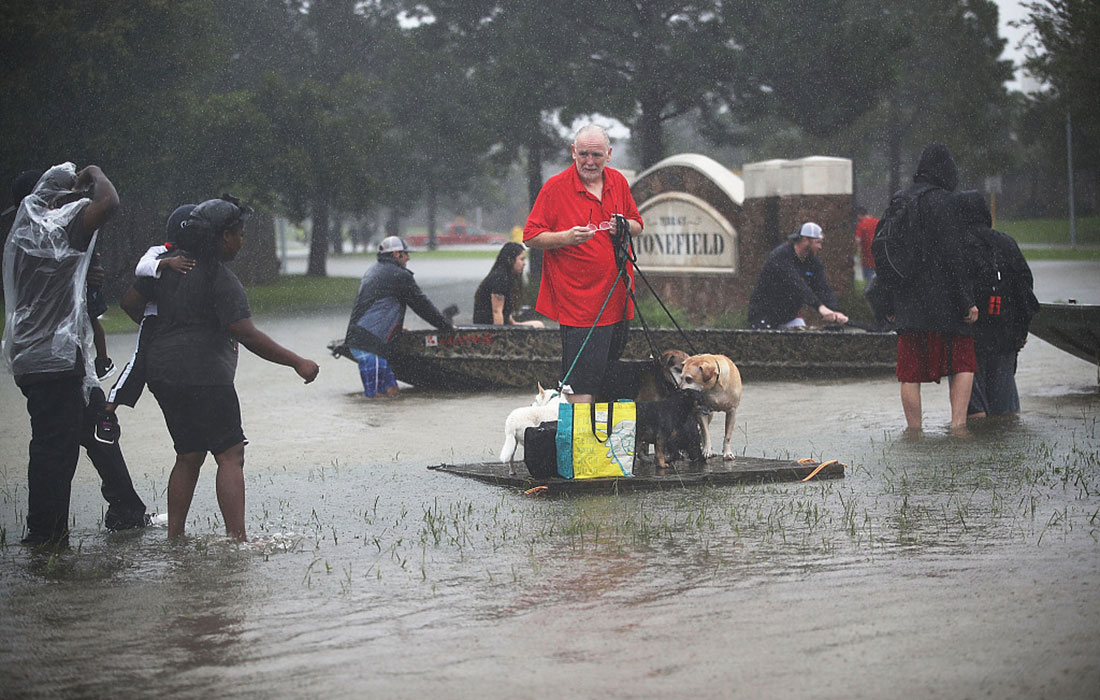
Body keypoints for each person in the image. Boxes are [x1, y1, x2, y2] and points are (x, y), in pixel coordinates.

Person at [121, 196, 319, 541]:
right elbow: (246, 334)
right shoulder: (220, 279)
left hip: (162, 373)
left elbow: (129, 303)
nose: (242, 241)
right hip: (205, 375)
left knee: (188, 454)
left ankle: (176, 538)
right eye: (239, 234)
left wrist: (168, 328)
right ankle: (237, 540)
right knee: (230, 454)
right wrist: (297, 362)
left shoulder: (168, 268)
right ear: (222, 237)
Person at [3, 163, 149, 547]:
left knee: (97, 427)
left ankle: (127, 510)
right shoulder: (52, 232)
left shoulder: (22, 235)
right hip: (54, 360)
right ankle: (45, 535)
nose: (73, 203)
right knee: (55, 448)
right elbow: (109, 202)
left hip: (48, 357)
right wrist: (96, 173)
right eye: (66, 196)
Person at [523, 124, 643, 404]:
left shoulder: (618, 182)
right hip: (578, 304)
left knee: (608, 373)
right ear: (573, 152)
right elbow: (530, 236)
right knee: (580, 380)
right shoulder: (555, 187)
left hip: (617, 297)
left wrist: (624, 226)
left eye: (597, 155)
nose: (590, 161)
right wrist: (565, 237)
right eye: (584, 154)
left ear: (609, 154)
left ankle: (603, 440)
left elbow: (638, 225)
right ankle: (579, 442)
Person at [875, 143, 978, 432]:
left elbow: (885, 252)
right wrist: (965, 301)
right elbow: (954, 256)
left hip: (907, 299)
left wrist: (889, 303)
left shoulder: (900, 200)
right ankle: (958, 426)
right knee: (962, 362)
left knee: (910, 371)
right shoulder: (947, 202)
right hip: (944, 301)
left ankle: (914, 430)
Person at [100, 205, 197, 440]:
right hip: (155, 319)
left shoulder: (207, 260)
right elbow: (140, 272)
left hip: (181, 332)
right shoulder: (162, 253)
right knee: (139, 362)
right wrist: (166, 264)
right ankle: (107, 410)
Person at [957, 190, 1039, 418]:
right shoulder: (1007, 243)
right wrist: (1021, 330)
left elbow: (951, 287)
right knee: (1006, 408)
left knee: (973, 408)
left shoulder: (958, 246)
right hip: (1005, 333)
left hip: (969, 335)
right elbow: (1025, 289)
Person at [343, 235, 455, 398]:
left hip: (365, 341)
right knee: (375, 399)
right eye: (406, 253)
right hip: (369, 346)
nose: (408, 257)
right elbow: (421, 305)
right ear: (396, 254)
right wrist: (446, 326)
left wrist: (394, 326)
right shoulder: (399, 275)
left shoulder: (375, 271)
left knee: (392, 393)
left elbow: (375, 307)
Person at [746, 222, 849, 329]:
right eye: (817, 242)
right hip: (764, 315)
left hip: (789, 316)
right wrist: (820, 307)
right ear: (805, 240)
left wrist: (834, 311)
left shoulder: (813, 263)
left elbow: (823, 288)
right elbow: (797, 285)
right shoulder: (780, 256)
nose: (820, 247)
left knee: (803, 343)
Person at [472, 242, 545, 328]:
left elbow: (504, 310)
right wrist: (500, 336)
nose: (524, 263)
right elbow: (497, 311)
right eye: (521, 259)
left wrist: (513, 323)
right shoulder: (500, 278)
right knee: (539, 326)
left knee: (538, 325)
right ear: (510, 260)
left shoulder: (508, 277)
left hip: (503, 324)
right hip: (488, 327)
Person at [855, 206, 879, 282]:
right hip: (878, 256)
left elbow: (857, 240)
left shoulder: (861, 224)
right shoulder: (877, 221)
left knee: (869, 281)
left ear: (859, 215)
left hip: (867, 258)